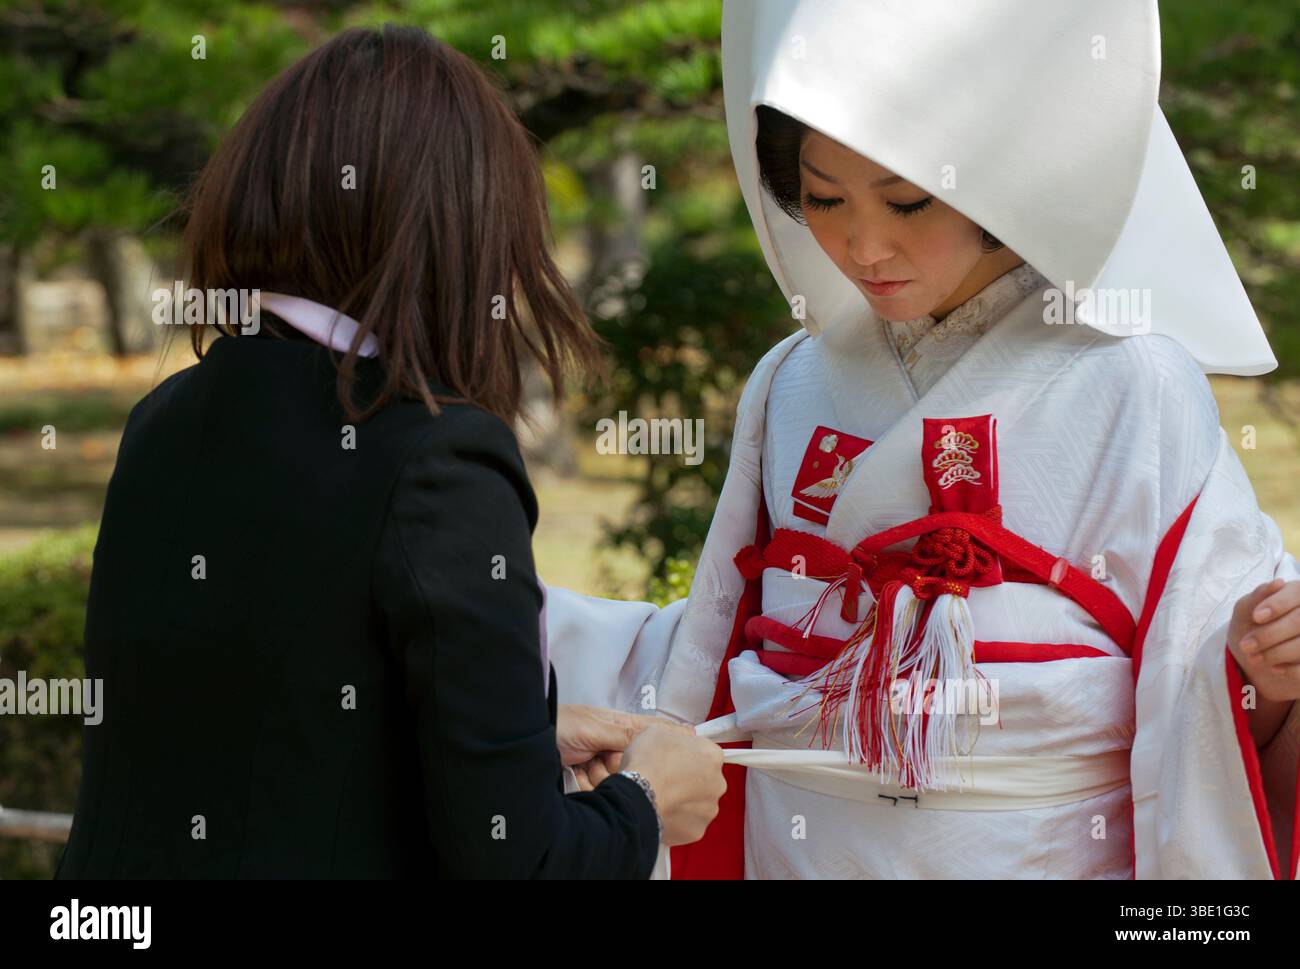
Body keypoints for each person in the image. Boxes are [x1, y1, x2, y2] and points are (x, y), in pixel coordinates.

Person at [544, 0, 1300, 879]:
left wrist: (1259, 667)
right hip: (801, 844)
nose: (863, 245)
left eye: (907, 201)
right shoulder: (791, 380)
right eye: (822, 198)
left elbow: (1199, 666)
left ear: (1002, 182)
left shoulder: (1137, 383)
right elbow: (714, 641)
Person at [55, 24, 724, 880]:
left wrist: (502, 742)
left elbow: (251, 717)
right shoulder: (437, 458)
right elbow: (521, 864)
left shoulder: (164, 418)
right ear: (463, 231)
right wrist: (644, 804)